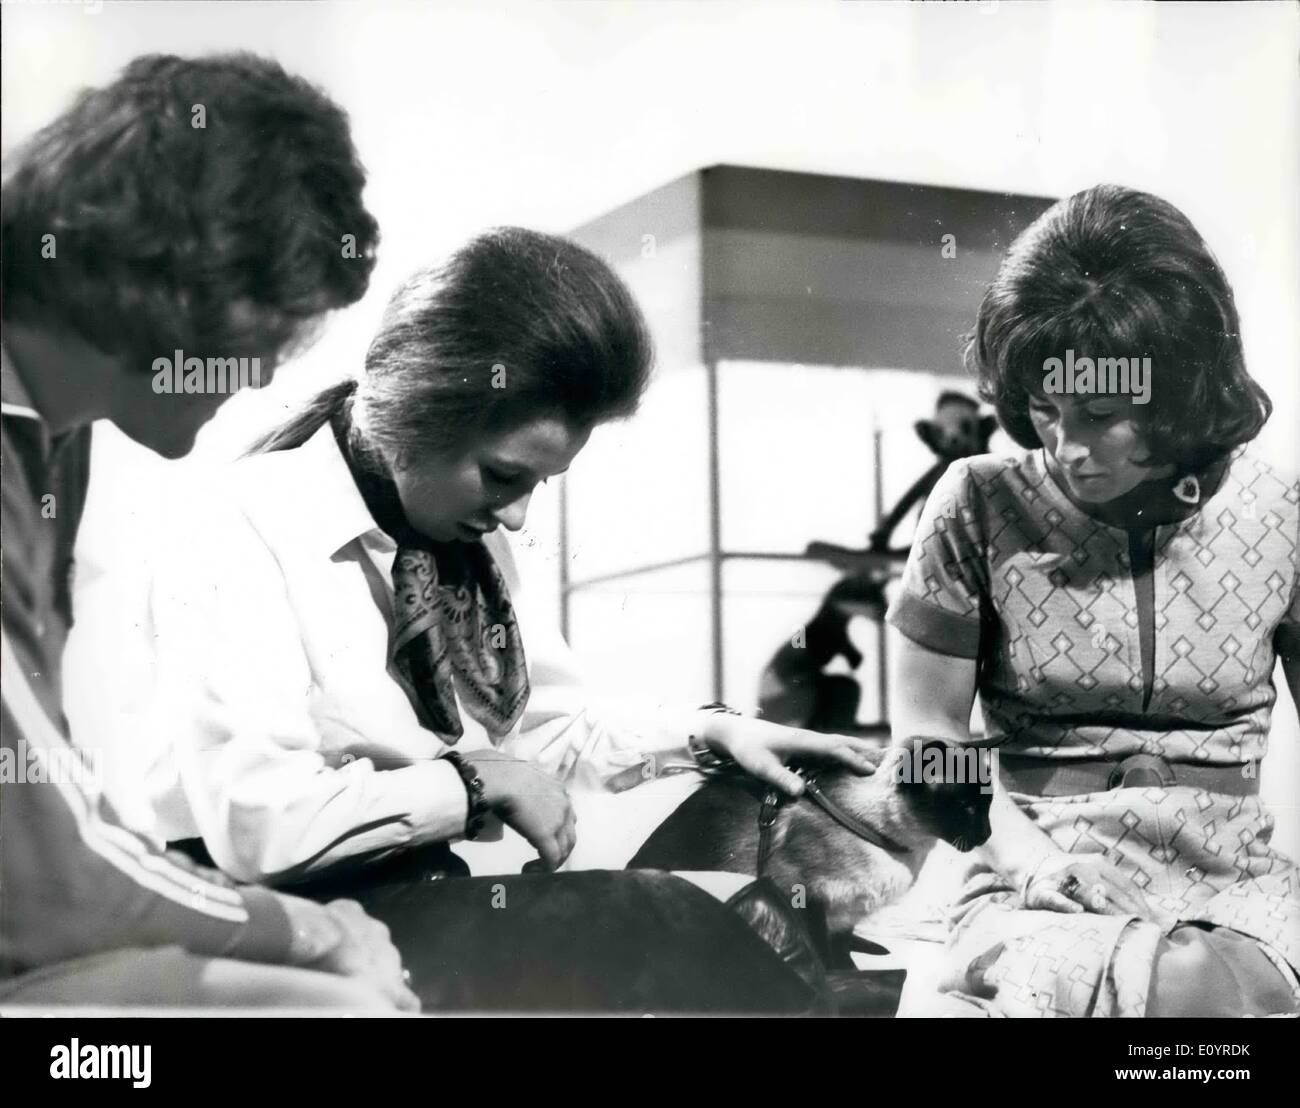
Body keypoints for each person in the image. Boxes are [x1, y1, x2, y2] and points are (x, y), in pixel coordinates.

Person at [79, 226, 878, 889]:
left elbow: (545, 738)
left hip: (407, 896)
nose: (520, 516)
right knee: (658, 928)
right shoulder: (235, 524)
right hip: (234, 917)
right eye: (504, 476)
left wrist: (715, 737)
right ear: (417, 412)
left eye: (538, 484)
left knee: (723, 898)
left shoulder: (463, 539)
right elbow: (261, 825)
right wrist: (472, 782)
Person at [0, 52, 419, 1011]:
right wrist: (309, 930)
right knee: (323, 1007)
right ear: (187, 290)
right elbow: (46, 891)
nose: (267, 375)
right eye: (274, 331)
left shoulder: (50, 438)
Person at [886, 184, 1299, 1017]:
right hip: (1031, 869)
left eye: (1102, 414)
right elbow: (927, 739)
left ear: (1180, 392)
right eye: (1046, 410)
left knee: (1189, 981)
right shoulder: (975, 501)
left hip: (1238, 881)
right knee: (1176, 989)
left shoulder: (1281, 511)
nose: (1066, 448)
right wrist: (1031, 861)